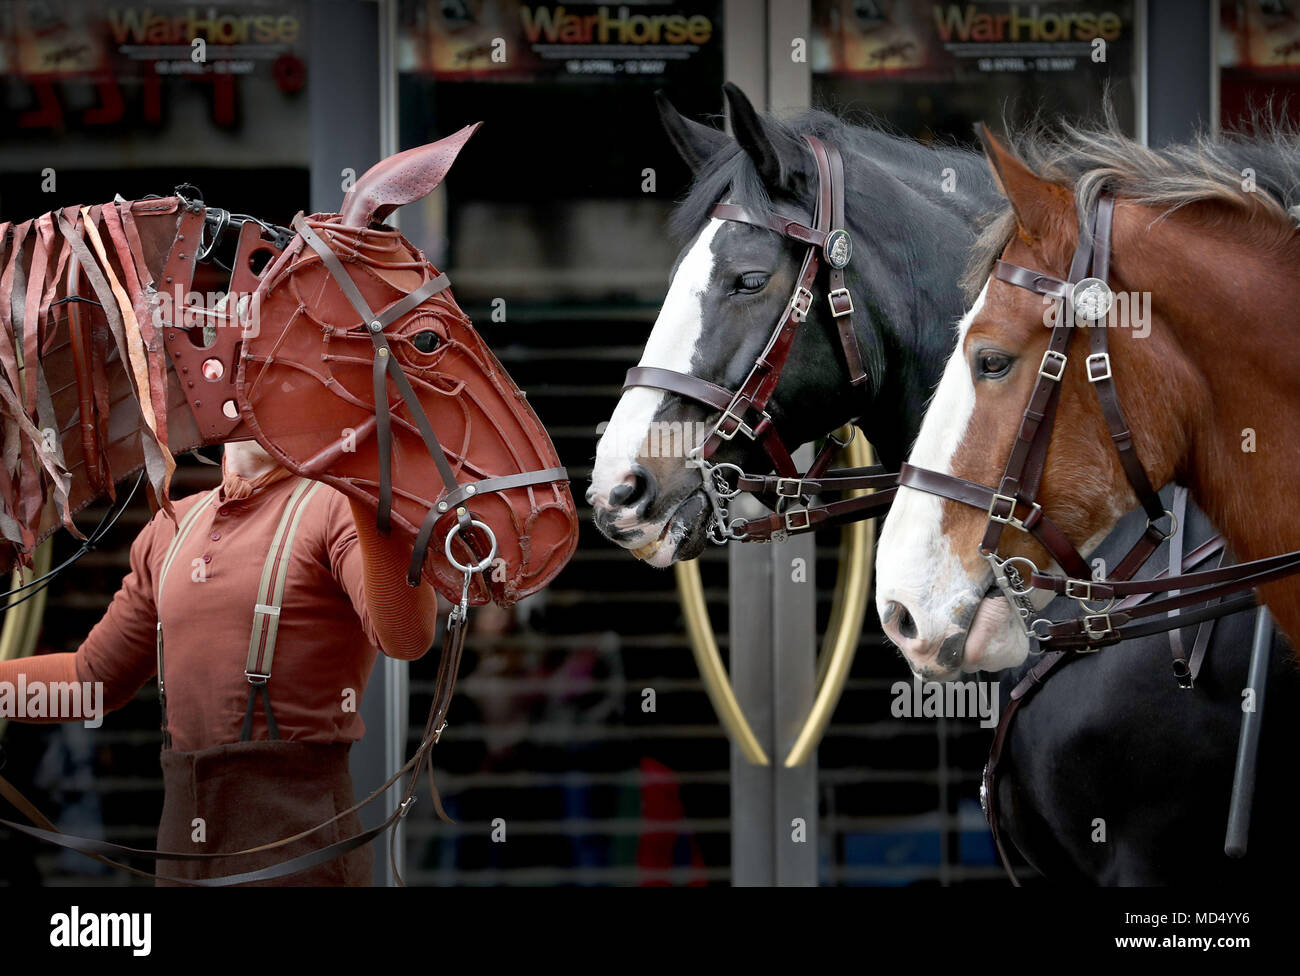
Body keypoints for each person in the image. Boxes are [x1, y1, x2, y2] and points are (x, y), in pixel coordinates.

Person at [0, 439, 441, 885]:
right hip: (182, 855)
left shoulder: (337, 505)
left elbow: (405, 637)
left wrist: (367, 480)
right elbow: (91, 682)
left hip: (301, 854)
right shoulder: (171, 527)